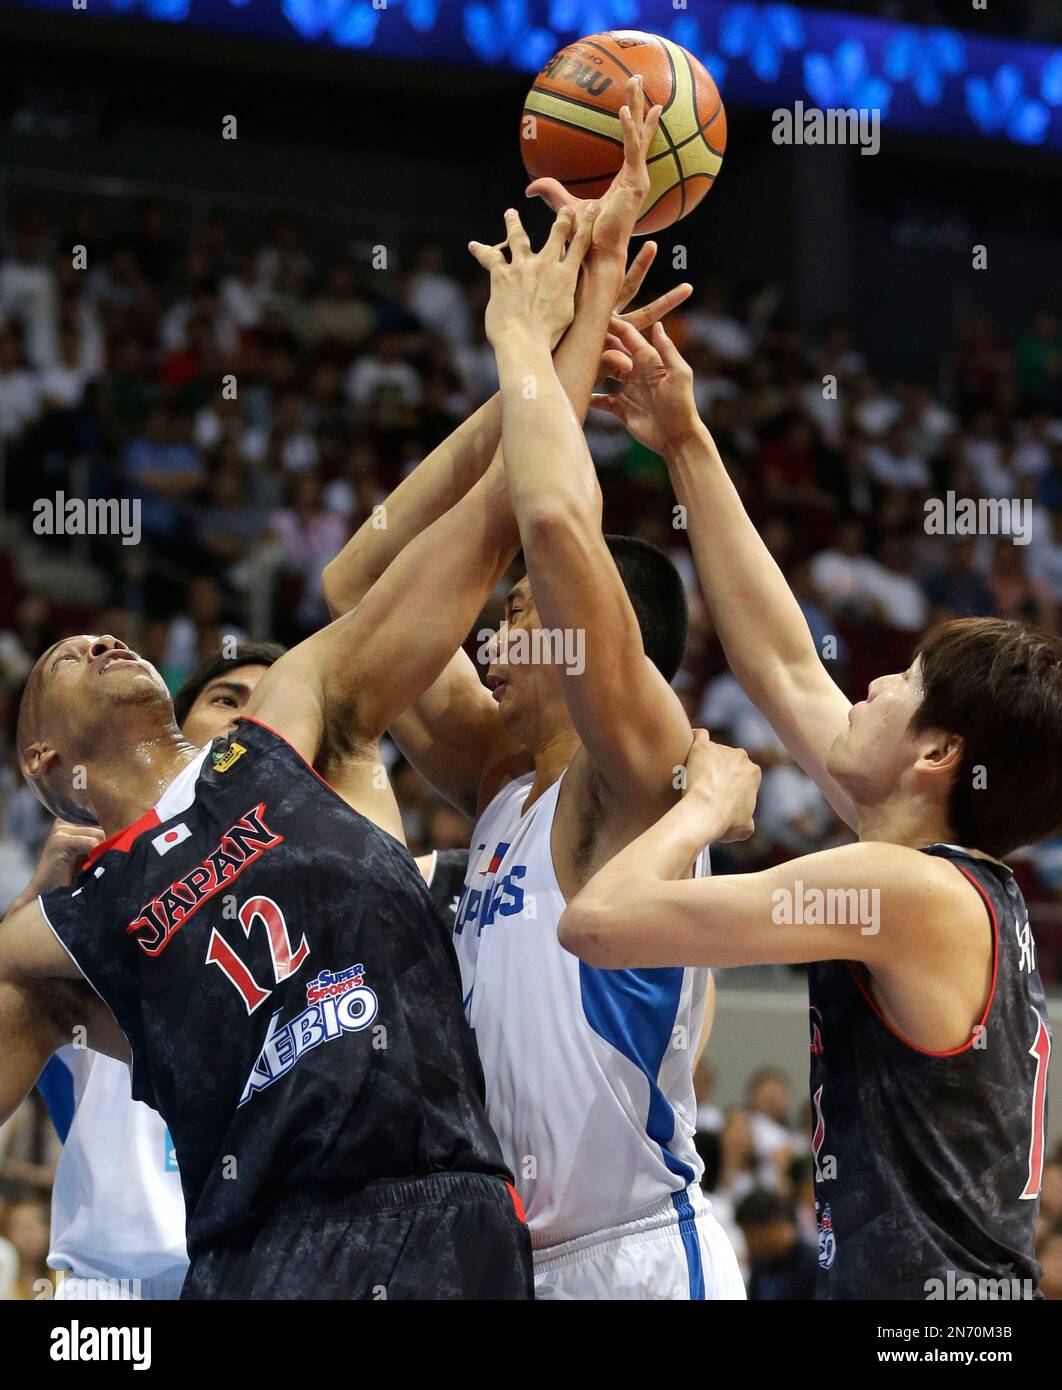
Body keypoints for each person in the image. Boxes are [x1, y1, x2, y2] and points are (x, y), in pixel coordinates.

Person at [0, 205, 596, 1299]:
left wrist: (558, 335)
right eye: (59, 660)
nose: (96, 639)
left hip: (442, 1207)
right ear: (42, 763)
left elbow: (482, 528)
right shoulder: (74, 927)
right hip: (254, 1257)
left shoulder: (285, 751)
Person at [323, 80, 742, 1301]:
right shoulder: (501, 776)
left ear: (585, 633)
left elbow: (555, 520)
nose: (486, 638)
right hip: (508, 1264)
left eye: (510, 616)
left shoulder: (638, 768)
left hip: (637, 1256)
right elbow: (360, 586)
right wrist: (549, 357)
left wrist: (539, 331)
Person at [559, 316, 1057, 1299]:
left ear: (939, 754)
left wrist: (701, 810)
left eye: (904, 682)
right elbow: (783, 662)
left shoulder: (903, 891)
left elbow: (599, 922)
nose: (870, 684)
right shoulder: (932, 873)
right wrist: (687, 442)